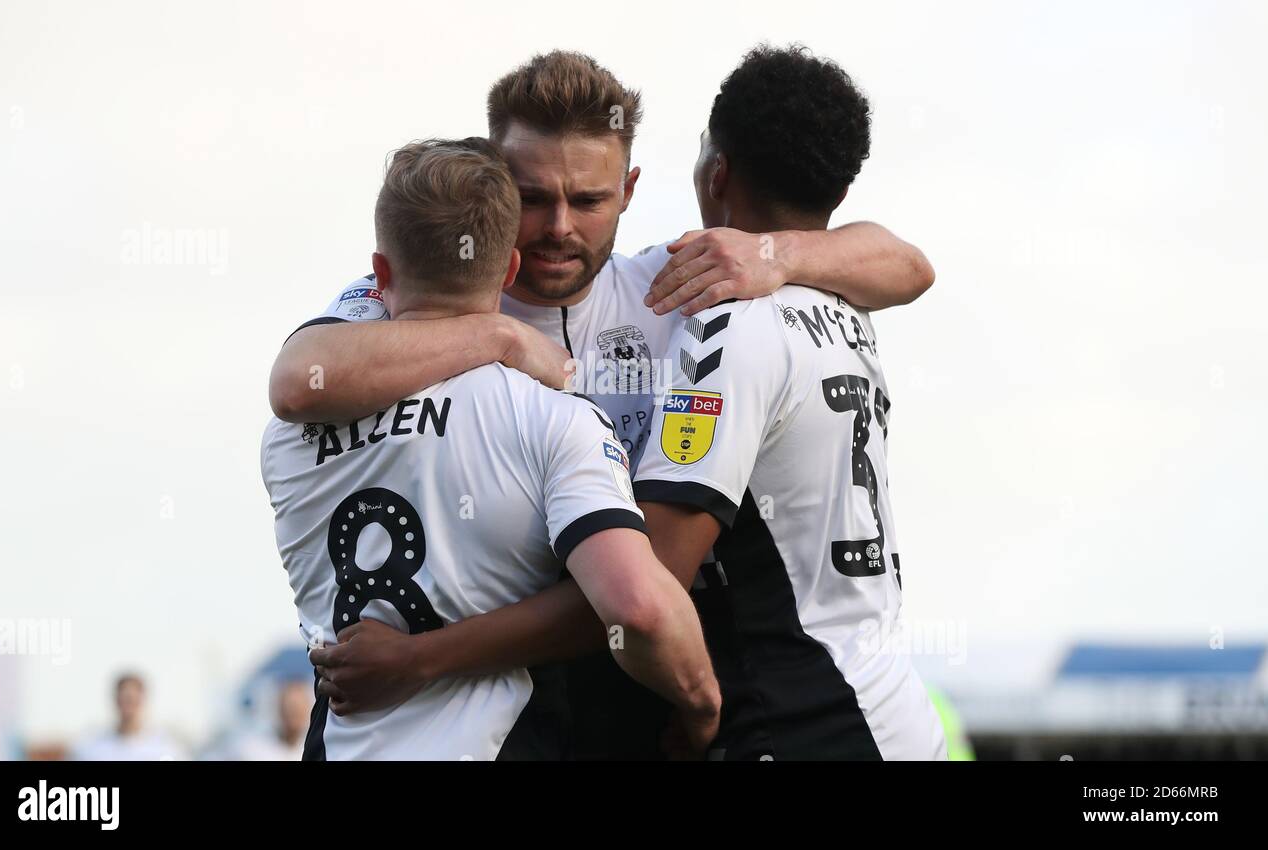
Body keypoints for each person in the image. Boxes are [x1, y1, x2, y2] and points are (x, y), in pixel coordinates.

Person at [274, 49, 934, 759]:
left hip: (639, 689)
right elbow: (297, 379)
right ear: (496, 185)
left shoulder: (680, 286)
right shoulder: (417, 293)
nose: (560, 226)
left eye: (588, 200)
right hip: (475, 708)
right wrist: (497, 335)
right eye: (532, 198)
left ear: (628, 189)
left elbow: (908, 265)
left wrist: (780, 255)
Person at [260, 138, 718, 760]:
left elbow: (301, 380)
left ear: (382, 272)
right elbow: (637, 609)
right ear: (508, 271)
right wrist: (700, 704)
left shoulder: (288, 434)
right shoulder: (555, 420)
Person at [632, 45, 947, 758]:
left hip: (805, 723)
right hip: (891, 709)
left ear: (717, 173)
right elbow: (910, 264)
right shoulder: (847, 301)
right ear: (838, 193)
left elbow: (651, 581)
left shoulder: (729, 326)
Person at [70, 672, 187, 761]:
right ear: (116, 700)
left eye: (133, 700)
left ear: (143, 700)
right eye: (124, 700)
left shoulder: (166, 750)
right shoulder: (92, 749)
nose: (128, 707)